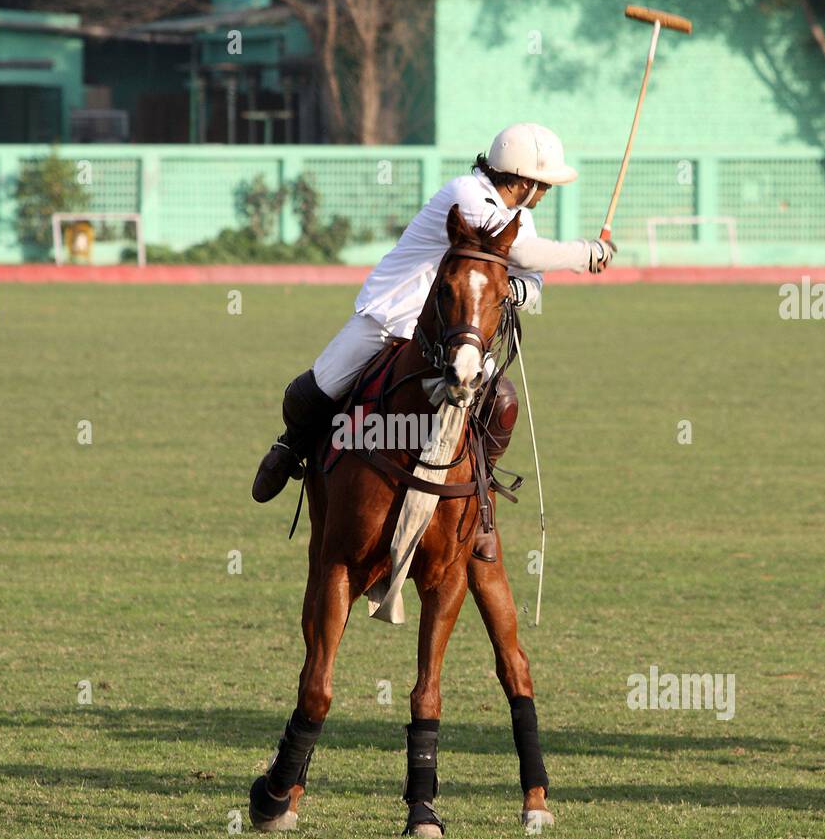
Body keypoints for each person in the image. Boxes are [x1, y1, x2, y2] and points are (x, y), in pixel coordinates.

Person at [251, 122, 614, 560]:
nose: (545, 192)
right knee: (311, 392)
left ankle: (482, 500)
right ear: (521, 178)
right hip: (391, 316)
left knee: (501, 404)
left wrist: (512, 291)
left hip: (451, 334)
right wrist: (586, 253)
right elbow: (519, 257)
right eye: (543, 184)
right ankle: (290, 447)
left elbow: (530, 284)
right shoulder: (467, 193)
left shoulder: (522, 220)